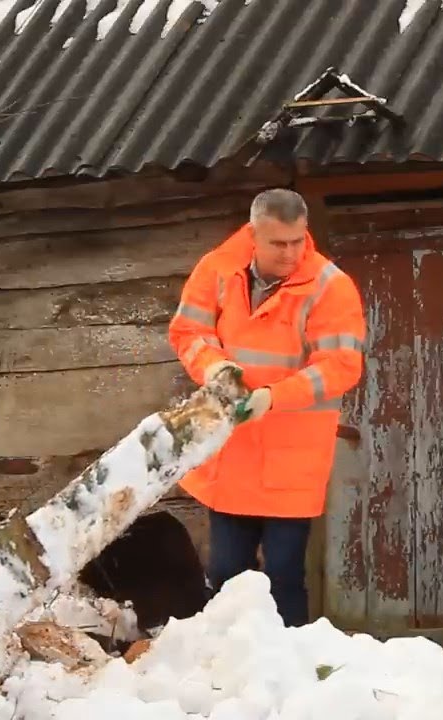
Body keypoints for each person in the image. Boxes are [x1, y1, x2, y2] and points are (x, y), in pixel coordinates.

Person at [167, 188, 365, 628]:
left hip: (292, 460)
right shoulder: (217, 269)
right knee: (225, 576)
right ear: (253, 234)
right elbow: (188, 332)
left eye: (298, 241)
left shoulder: (330, 286)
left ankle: (291, 675)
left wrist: (274, 397)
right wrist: (215, 367)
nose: (291, 253)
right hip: (231, 452)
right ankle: (223, 669)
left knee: (283, 577)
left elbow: (341, 365)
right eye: (278, 243)